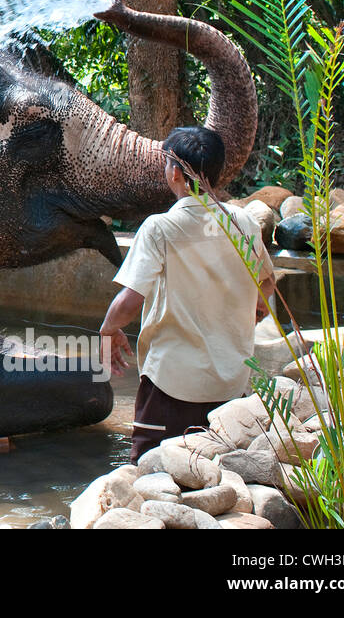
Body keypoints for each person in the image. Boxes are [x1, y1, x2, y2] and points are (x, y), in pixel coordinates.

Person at [97, 126, 276, 463]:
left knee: (150, 473)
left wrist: (107, 330)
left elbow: (130, 301)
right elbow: (267, 283)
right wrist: (254, 312)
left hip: (172, 385)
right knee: (220, 471)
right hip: (231, 384)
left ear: (175, 173)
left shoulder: (160, 228)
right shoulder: (243, 223)